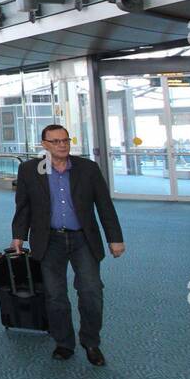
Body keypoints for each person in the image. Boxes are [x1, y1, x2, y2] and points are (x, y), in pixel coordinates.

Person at [12, 124, 126, 366]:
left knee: (91, 291)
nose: (62, 145)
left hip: (83, 238)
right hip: (49, 240)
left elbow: (104, 205)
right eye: (55, 141)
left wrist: (114, 238)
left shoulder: (88, 169)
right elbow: (23, 207)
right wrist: (18, 236)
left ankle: (91, 342)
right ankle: (64, 343)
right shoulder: (30, 170)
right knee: (55, 296)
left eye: (65, 140)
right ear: (44, 145)